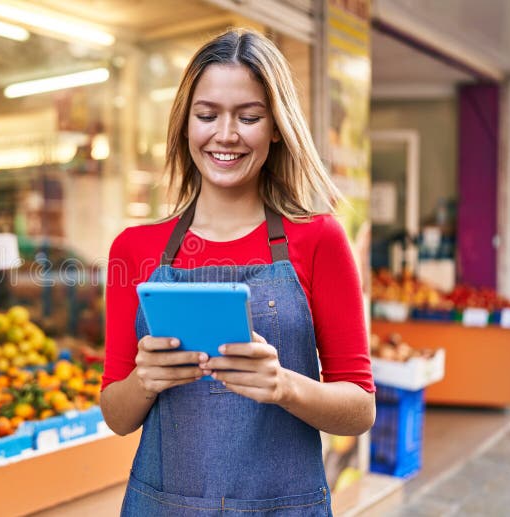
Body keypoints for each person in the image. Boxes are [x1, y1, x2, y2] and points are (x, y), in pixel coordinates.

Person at [100, 28, 375, 516]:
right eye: (207, 115)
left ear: (275, 127)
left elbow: (359, 409)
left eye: (248, 117)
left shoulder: (318, 240)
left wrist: (284, 386)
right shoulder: (134, 249)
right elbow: (117, 417)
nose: (225, 134)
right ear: (185, 124)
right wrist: (145, 379)